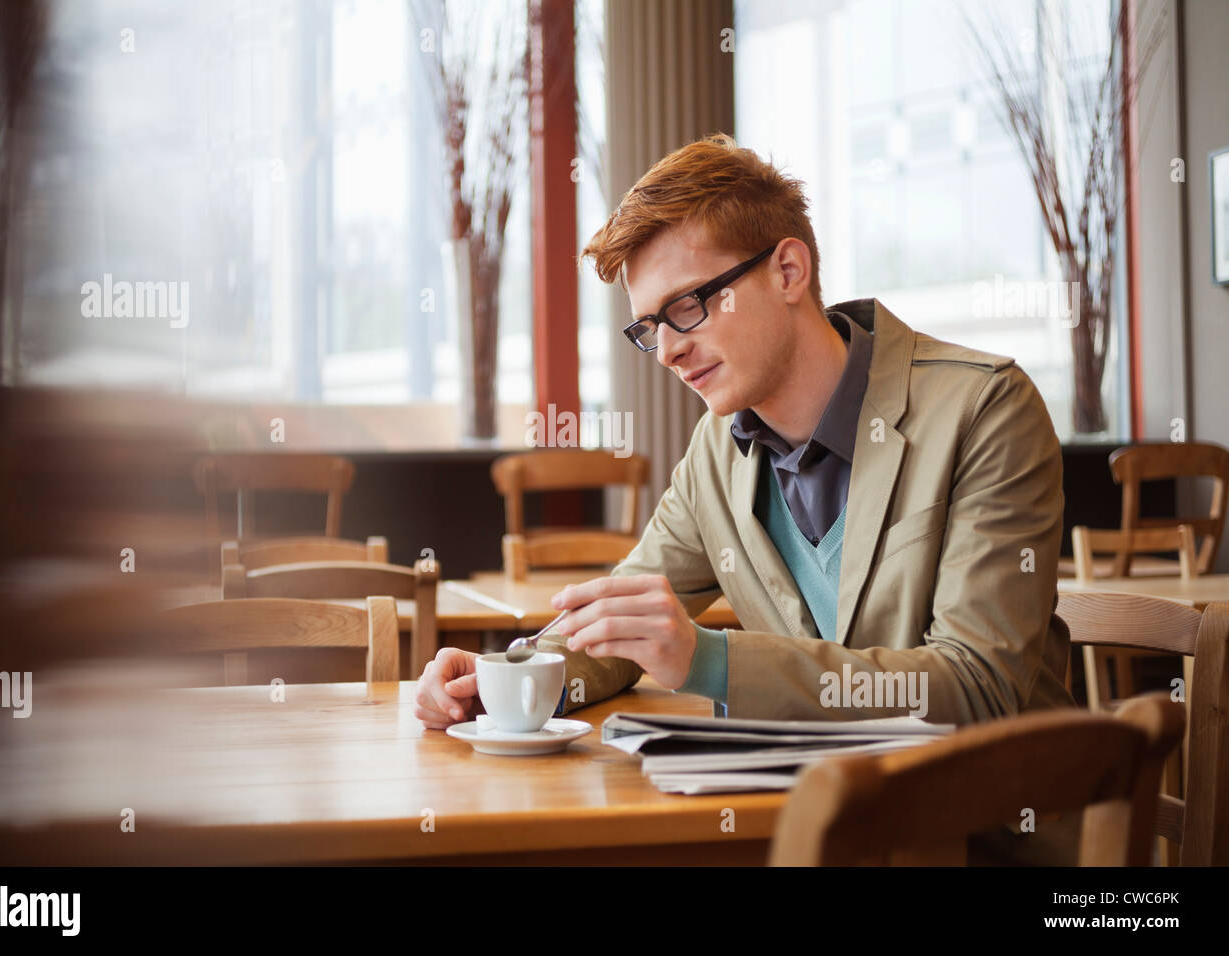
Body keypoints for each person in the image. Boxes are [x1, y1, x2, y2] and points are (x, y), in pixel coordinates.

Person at [413, 132, 1075, 732]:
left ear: (788, 271)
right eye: (650, 328)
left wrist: (713, 662)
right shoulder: (718, 450)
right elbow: (621, 626)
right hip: (807, 823)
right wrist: (502, 680)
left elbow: (979, 687)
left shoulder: (985, 409)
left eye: (687, 306)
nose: (668, 351)